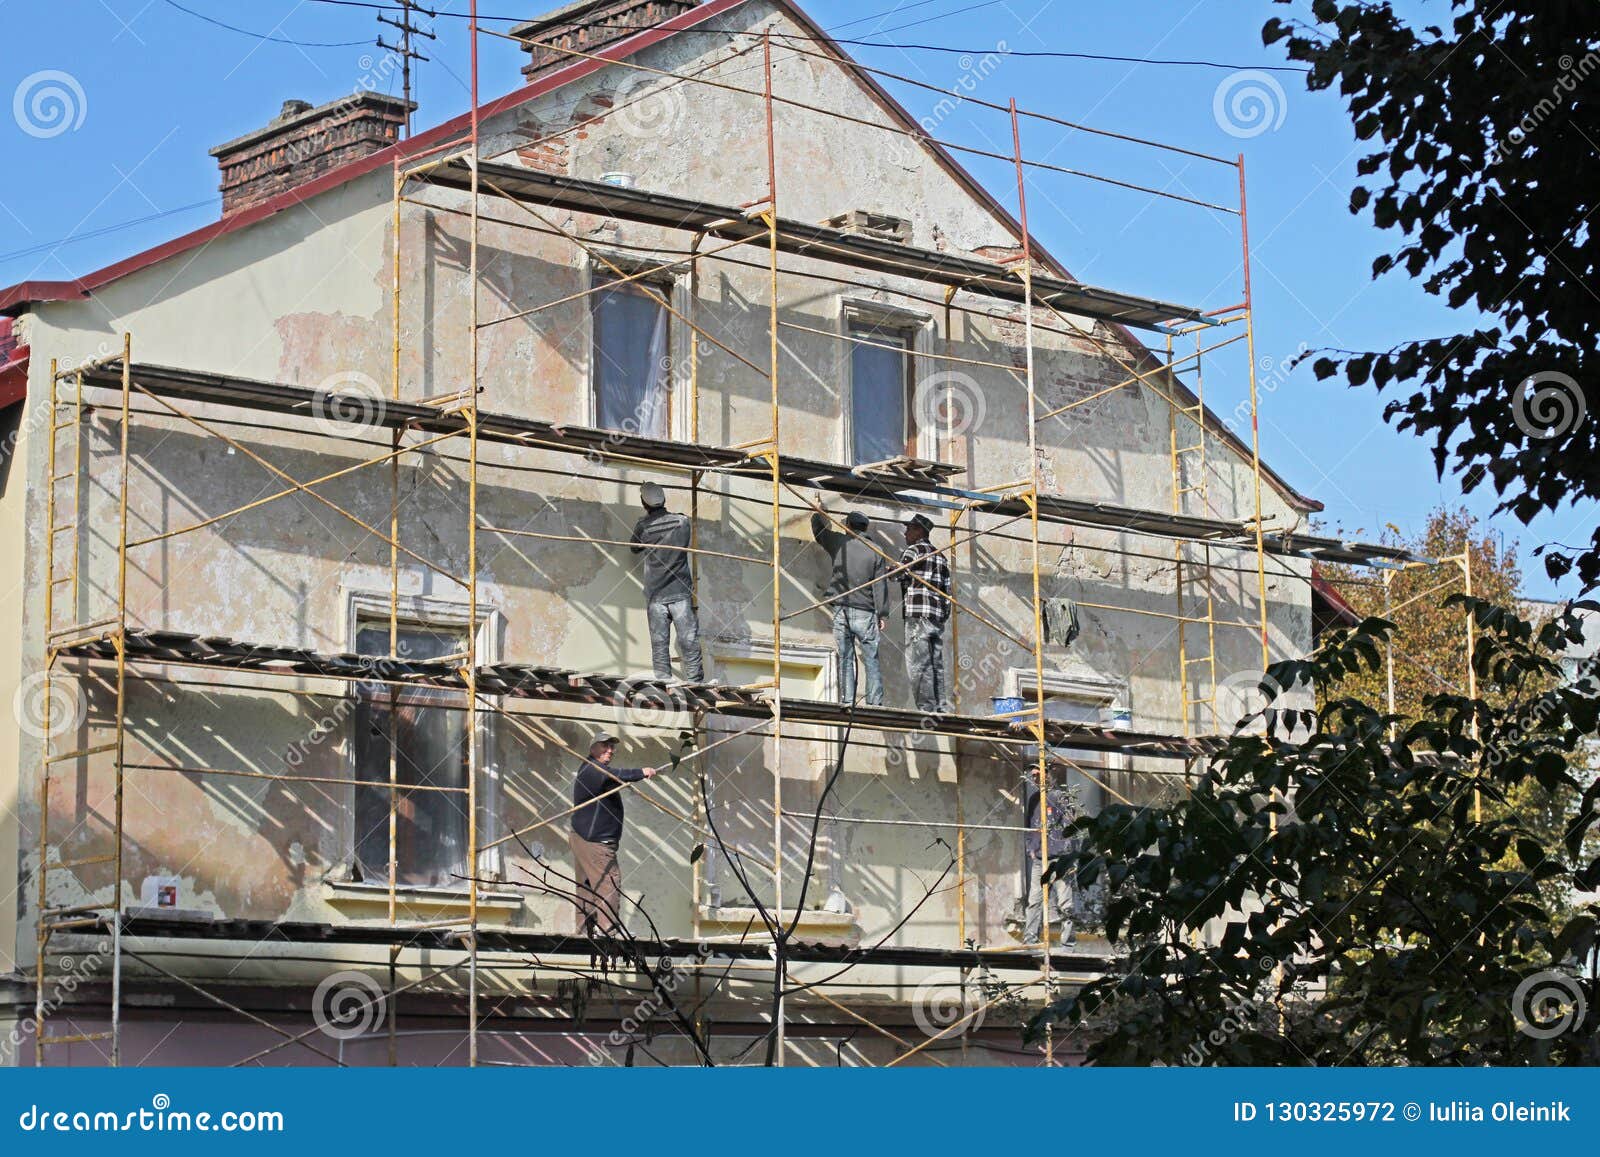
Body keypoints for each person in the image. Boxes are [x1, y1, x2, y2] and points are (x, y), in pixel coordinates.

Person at [570, 731, 657, 937]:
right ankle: (607, 930)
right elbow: (616, 775)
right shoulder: (592, 769)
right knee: (609, 882)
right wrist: (641, 772)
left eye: (612, 747)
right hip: (595, 841)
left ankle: (585, 931)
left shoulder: (593, 771)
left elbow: (612, 779)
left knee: (588, 886)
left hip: (582, 837)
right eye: (604, 745)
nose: (610, 750)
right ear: (593, 748)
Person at [811, 507, 888, 707]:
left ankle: (847, 700)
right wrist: (882, 614)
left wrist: (817, 513)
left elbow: (819, 532)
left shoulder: (839, 542)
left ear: (848, 526)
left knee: (846, 657)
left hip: (842, 609)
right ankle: (874, 702)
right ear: (866, 528)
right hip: (866, 610)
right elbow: (880, 585)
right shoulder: (877, 550)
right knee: (871, 658)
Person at [630, 481, 704, 682]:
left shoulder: (643, 527)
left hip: (656, 594)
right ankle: (695, 681)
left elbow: (634, 547)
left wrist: (645, 524)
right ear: (663, 500)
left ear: (644, 503)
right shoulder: (682, 522)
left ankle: (663, 681)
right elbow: (683, 541)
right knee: (688, 639)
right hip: (680, 591)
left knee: (659, 642)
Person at [898, 513, 951, 713]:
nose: (905, 533)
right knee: (935, 664)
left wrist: (890, 570)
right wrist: (942, 616)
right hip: (936, 618)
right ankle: (940, 707)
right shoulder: (941, 557)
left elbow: (899, 574)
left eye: (909, 529)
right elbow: (947, 593)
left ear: (919, 531)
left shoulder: (914, 551)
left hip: (918, 614)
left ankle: (926, 708)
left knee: (919, 662)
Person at [1021, 764, 1077, 946]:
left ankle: (1067, 944)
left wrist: (1067, 853)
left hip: (1060, 859)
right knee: (1034, 901)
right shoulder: (1034, 799)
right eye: (1033, 776)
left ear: (1049, 774)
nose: (1035, 778)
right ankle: (1030, 941)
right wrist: (1031, 847)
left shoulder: (1061, 797)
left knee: (1065, 903)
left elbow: (1071, 827)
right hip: (1039, 859)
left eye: (1039, 774)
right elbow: (1030, 826)